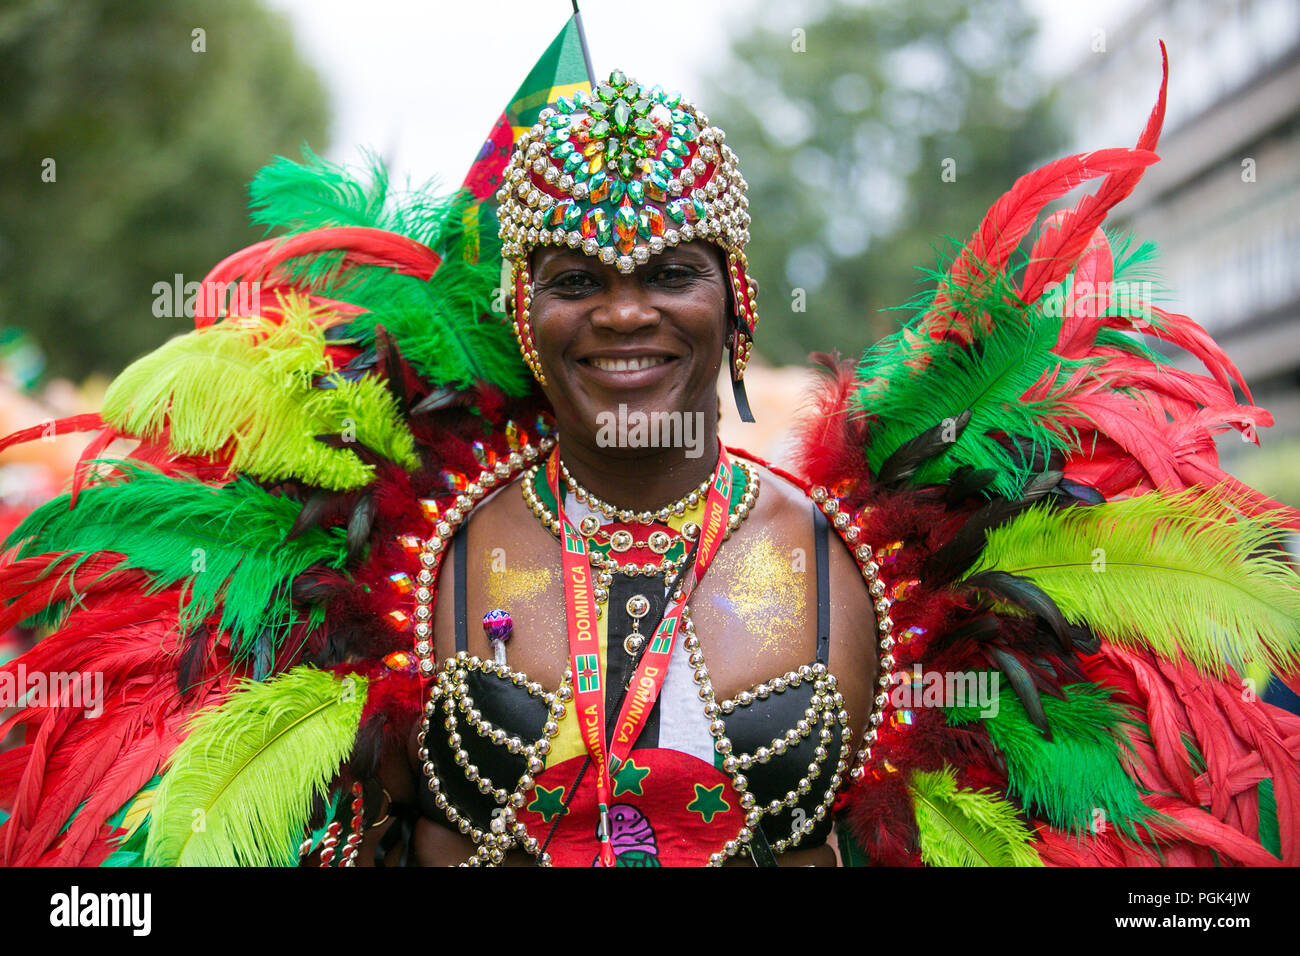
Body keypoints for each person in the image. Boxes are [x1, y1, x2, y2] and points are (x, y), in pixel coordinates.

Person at [0, 50, 1297, 868]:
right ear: (523, 313)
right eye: (576, 279)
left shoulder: (851, 574)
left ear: (736, 304)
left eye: (668, 272)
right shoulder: (405, 567)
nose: (624, 313)